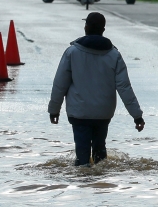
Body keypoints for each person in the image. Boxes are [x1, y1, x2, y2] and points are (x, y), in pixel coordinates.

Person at [48, 12, 145, 167]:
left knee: (82, 158)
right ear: (103, 30)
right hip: (103, 113)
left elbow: (60, 84)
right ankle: (101, 185)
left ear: (86, 27)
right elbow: (125, 88)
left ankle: (85, 181)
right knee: (100, 154)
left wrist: (54, 110)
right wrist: (137, 116)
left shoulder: (72, 53)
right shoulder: (114, 55)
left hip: (79, 113)